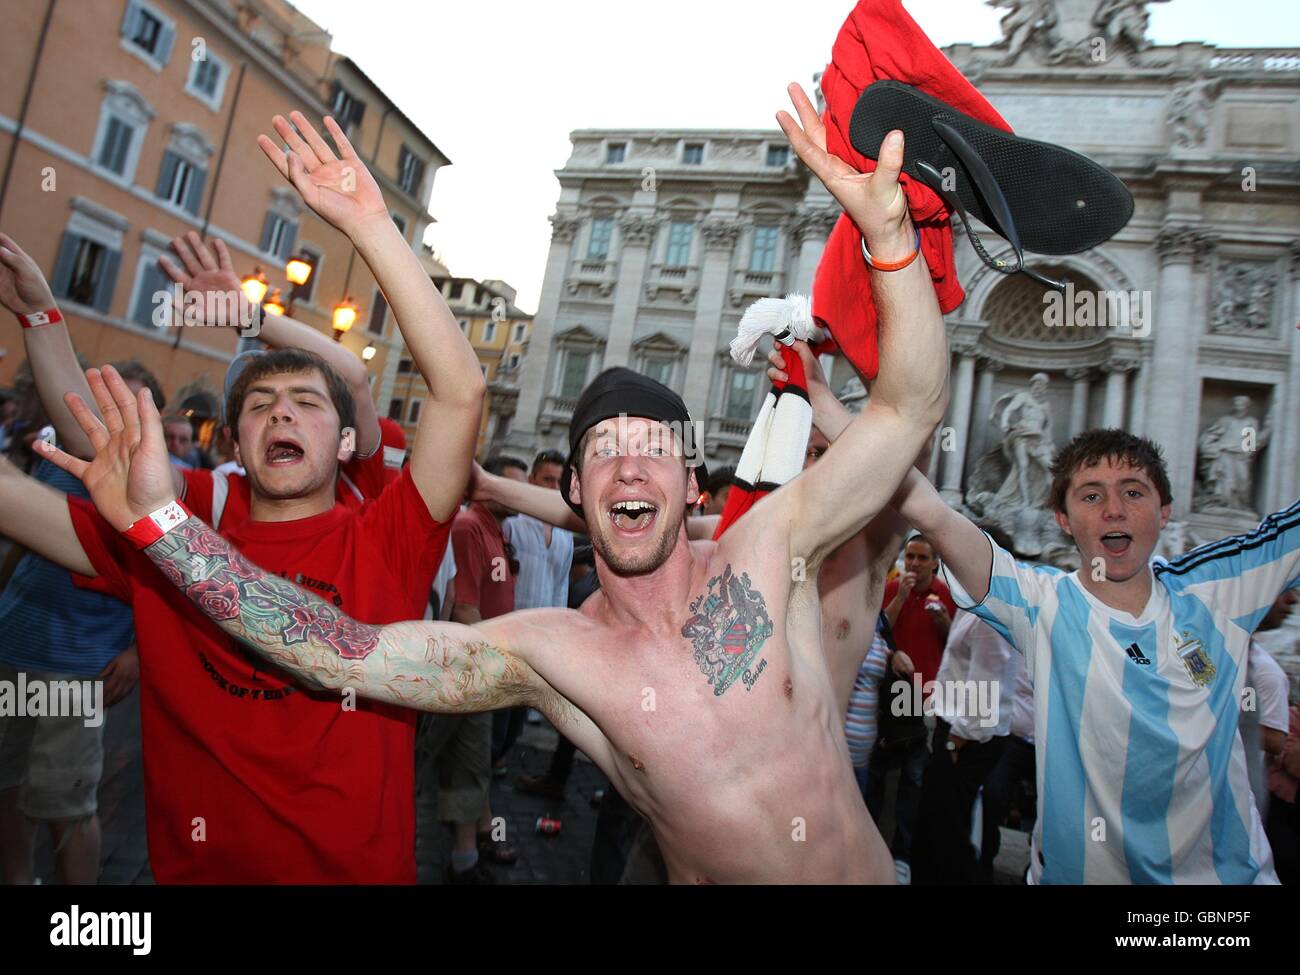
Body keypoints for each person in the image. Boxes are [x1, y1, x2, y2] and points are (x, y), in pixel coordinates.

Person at [45, 92, 951, 882]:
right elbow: (338, 652)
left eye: (651, 447)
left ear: (689, 480)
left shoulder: (773, 548)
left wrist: (888, 243)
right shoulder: (550, 652)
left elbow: (908, 408)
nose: (628, 464)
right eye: (601, 451)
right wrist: (164, 525)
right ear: (579, 497)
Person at [0, 110, 485, 881]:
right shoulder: (173, 535)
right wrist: (38, 312)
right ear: (233, 444)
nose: (282, 411)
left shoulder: (386, 538)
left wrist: (369, 224)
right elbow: (81, 447)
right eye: (259, 407)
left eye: (304, 402)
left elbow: (458, 391)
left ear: (348, 442)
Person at [883, 425, 1298, 884]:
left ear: (1165, 510)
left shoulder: (1220, 588)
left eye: (1134, 492)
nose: (1115, 510)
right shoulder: (1041, 603)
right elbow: (930, 510)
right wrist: (820, 400)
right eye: (1092, 496)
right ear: (1062, 518)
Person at [431, 454, 526, 882]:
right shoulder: (470, 527)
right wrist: (500, 660)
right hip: (469, 668)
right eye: (509, 486)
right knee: (446, 757)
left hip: (486, 667)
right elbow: (465, 608)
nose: (516, 495)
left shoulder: (498, 531)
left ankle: (467, 852)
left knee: (471, 758)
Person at [910, 609, 1019, 885]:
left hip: (967, 739)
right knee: (939, 825)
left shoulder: (988, 615)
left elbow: (985, 682)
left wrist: (954, 741)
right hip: (958, 733)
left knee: (950, 833)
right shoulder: (970, 607)